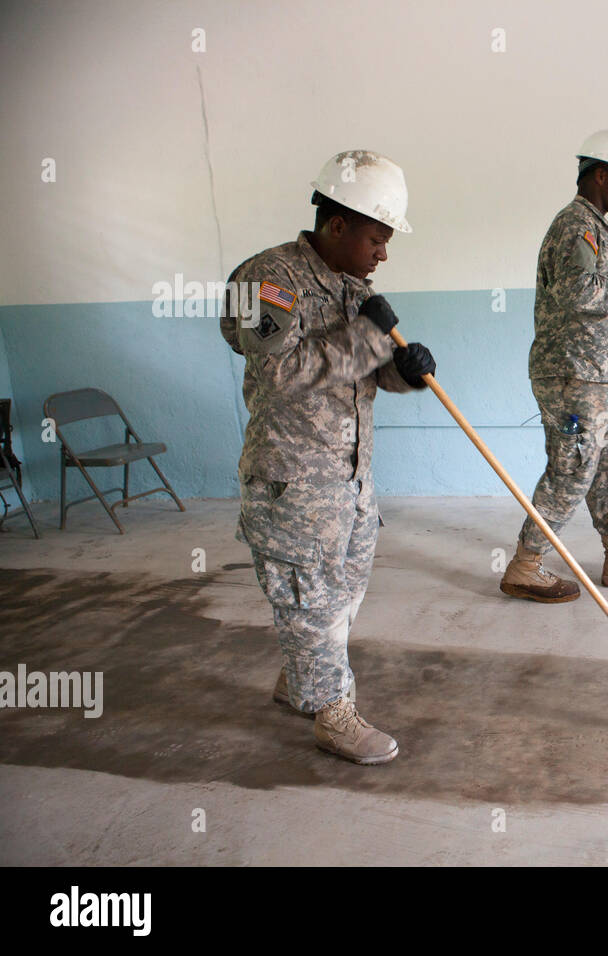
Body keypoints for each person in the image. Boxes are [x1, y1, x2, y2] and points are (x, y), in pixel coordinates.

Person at [219, 150, 435, 764]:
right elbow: (281, 372)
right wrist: (368, 337)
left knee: (341, 596)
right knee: (310, 599)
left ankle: (302, 676)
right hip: (292, 484)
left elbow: (361, 371)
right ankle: (331, 714)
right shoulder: (262, 280)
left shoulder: (352, 287)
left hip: (353, 479)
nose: (383, 253)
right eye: (377, 237)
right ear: (337, 225)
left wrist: (404, 371)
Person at [500, 130, 608, 603]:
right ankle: (524, 564)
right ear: (600, 175)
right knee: (574, 467)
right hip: (570, 374)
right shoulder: (574, 227)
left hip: (601, 376)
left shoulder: (600, 230)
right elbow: (576, 293)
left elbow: (600, 308)